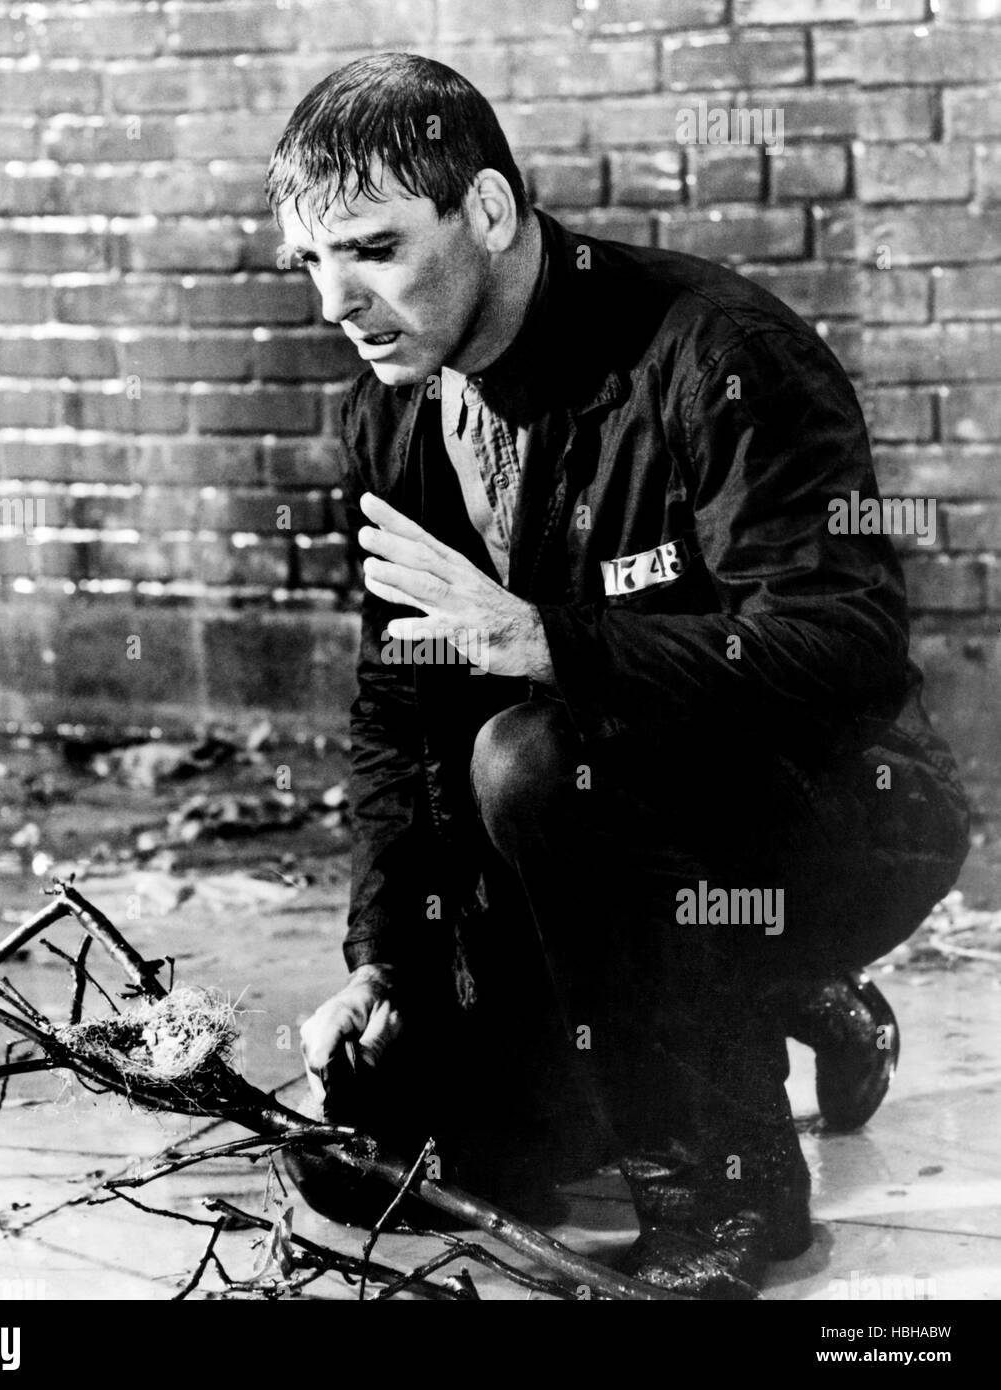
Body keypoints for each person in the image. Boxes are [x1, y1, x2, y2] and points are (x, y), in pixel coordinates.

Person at [263, 52, 971, 1298]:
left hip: (837, 815)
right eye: (311, 262)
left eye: (371, 248)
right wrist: (389, 961)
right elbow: (398, 708)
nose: (337, 300)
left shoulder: (719, 353)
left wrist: (550, 638)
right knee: (383, 1151)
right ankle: (784, 992)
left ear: (486, 212)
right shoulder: (387, 414)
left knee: (531, 753)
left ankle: (730, 1184)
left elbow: (843, 643)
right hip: (598, 855)